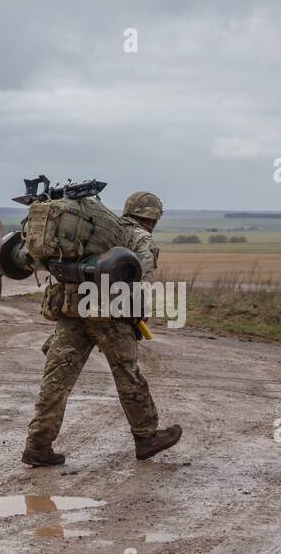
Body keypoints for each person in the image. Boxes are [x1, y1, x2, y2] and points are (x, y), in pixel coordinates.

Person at [22, 190, 182, 466]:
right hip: (109, 316)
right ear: (153, 219)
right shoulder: (140, 238)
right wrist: (135, 318)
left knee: (57, 379)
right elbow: (137, 280)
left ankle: (38, 444)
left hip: (71, 310)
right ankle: (146, 437)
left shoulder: (96, 231)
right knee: (127, 373)